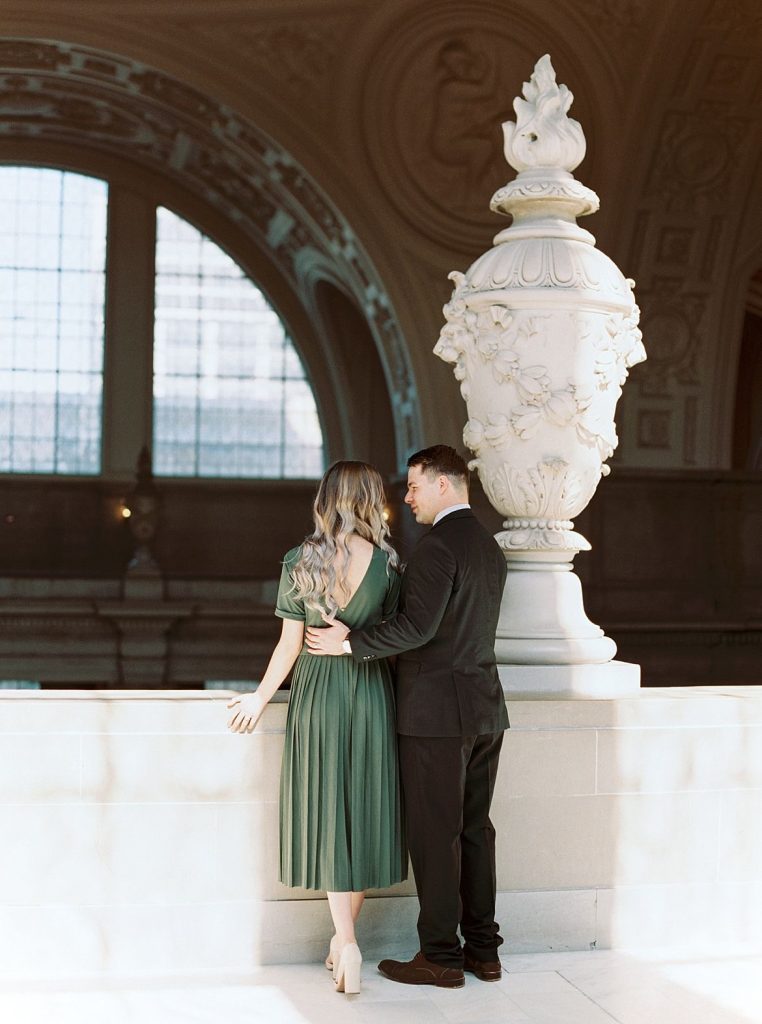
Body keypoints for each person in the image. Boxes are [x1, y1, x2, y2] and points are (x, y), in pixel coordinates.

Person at [306, 444, 508, 989]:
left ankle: (440, 956)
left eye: (415, 486)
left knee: (435, 834)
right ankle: (484, 952)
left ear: (444, 484)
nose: (409, 497)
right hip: (485, 709)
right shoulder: (489, 545)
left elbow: (418, 627)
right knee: (474, 831)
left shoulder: (438, 546)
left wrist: (352, 643)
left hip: (436, 715)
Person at [227, 461, 407, 995]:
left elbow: (288, 645)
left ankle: (345, 941)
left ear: (327, 499)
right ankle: (344, 941)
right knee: (368, 809)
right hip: (371, 690)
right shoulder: (391, 565)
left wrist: (261, 698)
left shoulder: (299, 561)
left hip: (317, 694)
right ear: (372, 500)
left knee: (329, 811)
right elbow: (394, 636)